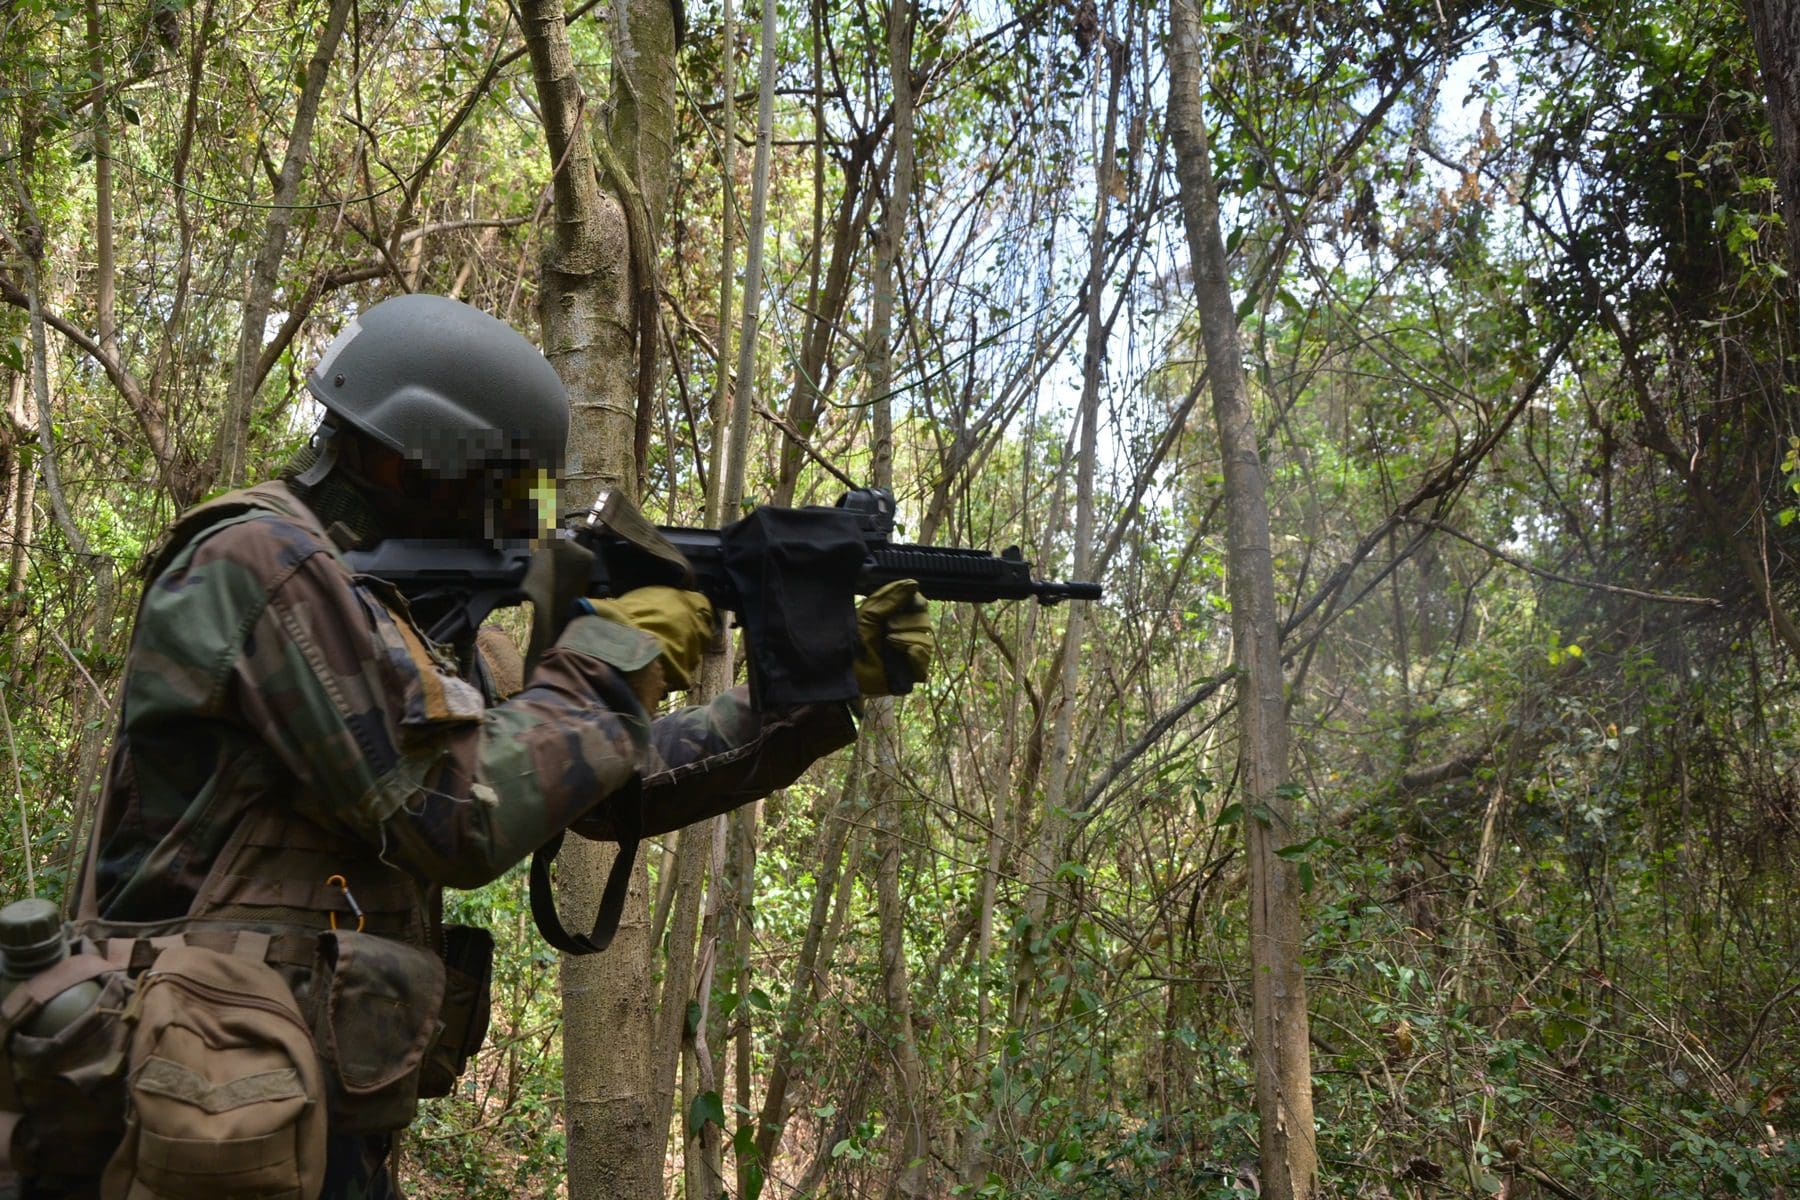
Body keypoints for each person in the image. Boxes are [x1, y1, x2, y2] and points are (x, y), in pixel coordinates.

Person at [55, 294, 933, 1198]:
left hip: (281, 1105)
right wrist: (618, 656)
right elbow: (452, 812)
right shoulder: (261, 563)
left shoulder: (415, 626)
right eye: (512, 488)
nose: (528, 518)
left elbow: (591, 783)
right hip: (178, 1112)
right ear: (417, 458)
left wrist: (807, 692)